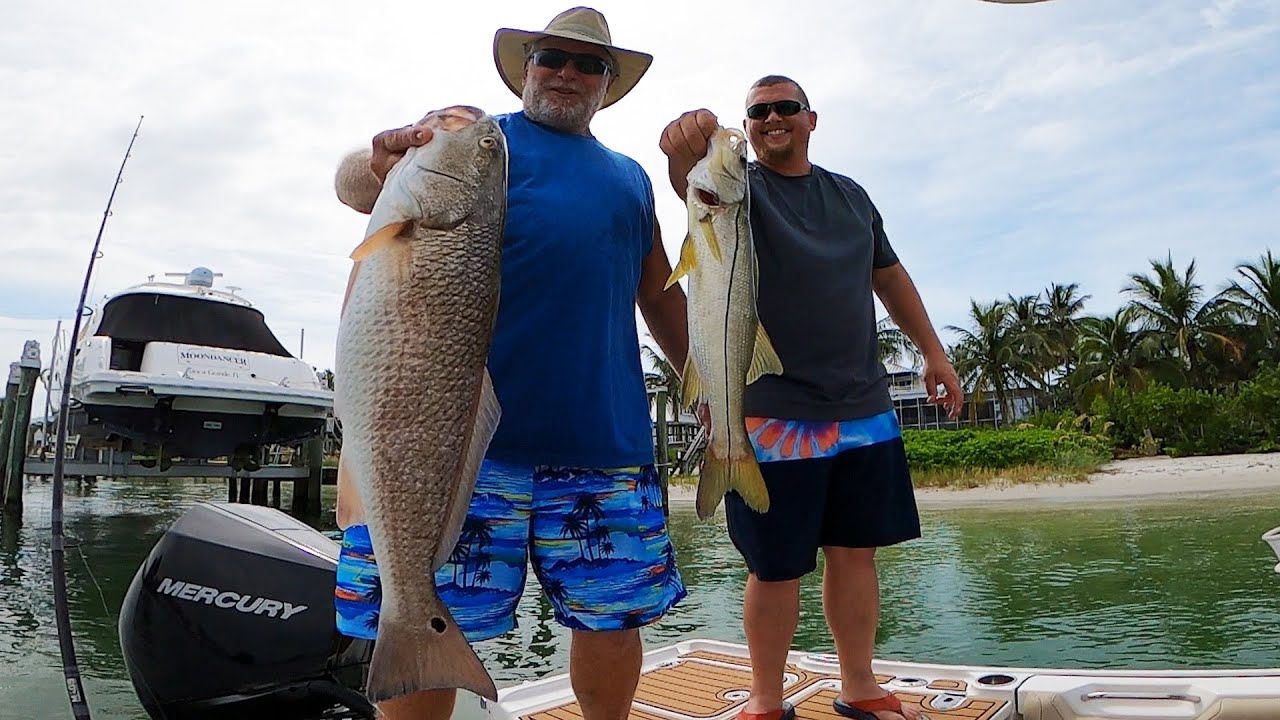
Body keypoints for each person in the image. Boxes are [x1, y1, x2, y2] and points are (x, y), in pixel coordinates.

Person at [332, 8, 690, 720]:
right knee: (427, 614)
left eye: (590, 64)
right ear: (526, 67)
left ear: (608, 85)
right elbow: (355, 185)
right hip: (450, 444)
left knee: (613, 621)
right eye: (552, 58)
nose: (568, 73)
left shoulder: (630, 178)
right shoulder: (474, 140)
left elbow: (654, 290)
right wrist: (378, 160)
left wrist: (702, 384)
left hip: (604, 445)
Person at [658, 76, 964, 720]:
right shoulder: (736, 191)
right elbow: (692, 176)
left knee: (856, 555)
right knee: (775, 566)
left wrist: (934, 352)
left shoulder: (851, 196)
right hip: (770, 415)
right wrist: (682, 152)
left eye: (784, 108)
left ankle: (858, 684)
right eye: (758, 111)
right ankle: (765, 699)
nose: (771, 119)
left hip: (863, 409)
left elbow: (888, 274)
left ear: (811, 118)